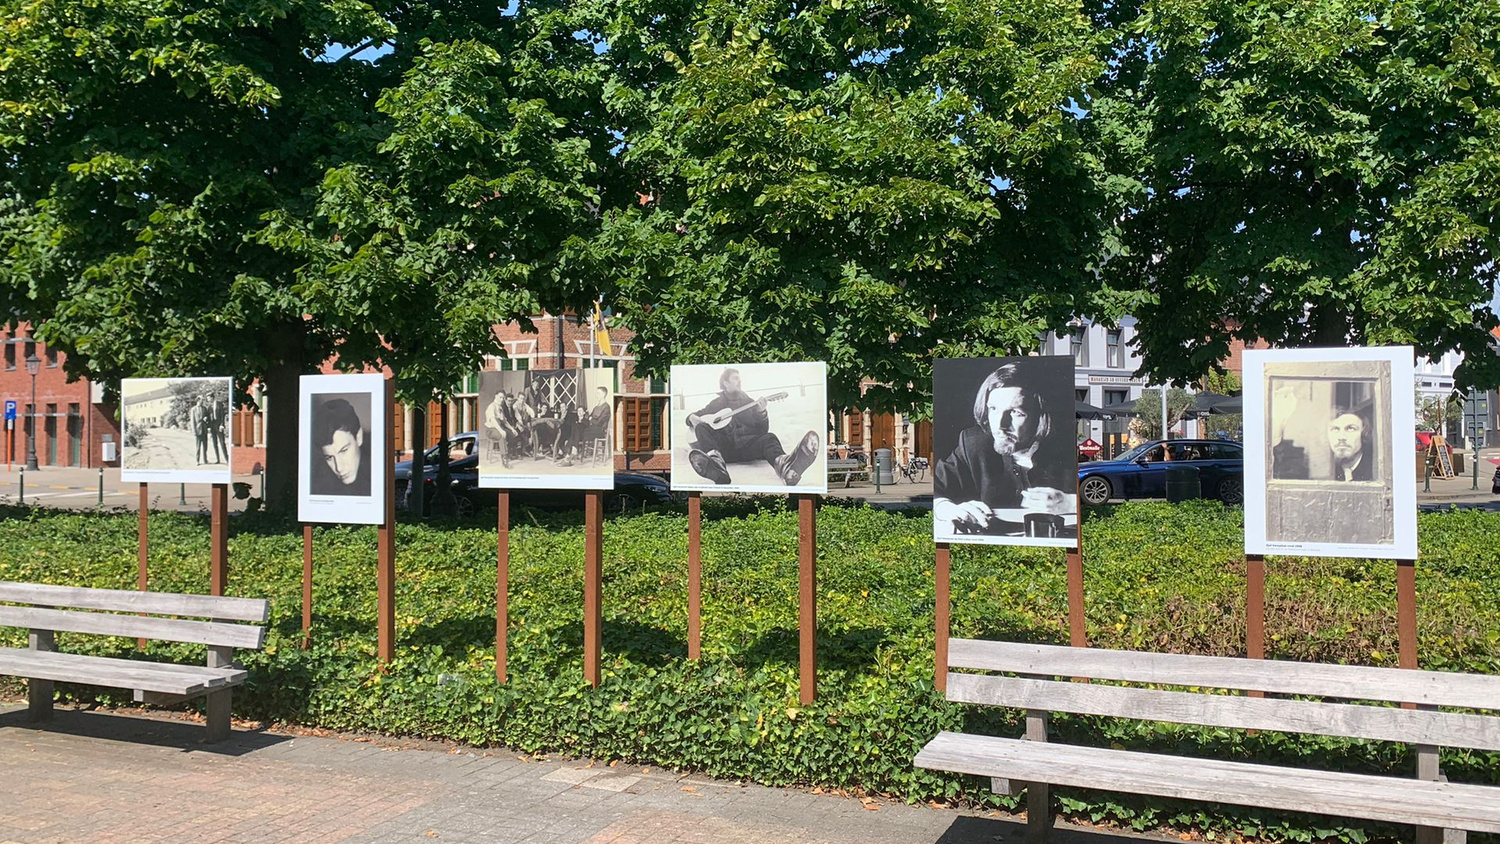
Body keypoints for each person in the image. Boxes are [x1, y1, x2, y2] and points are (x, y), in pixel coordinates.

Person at [933, 363, 1075, 536]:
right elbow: (937, 489)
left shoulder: (1067, 448)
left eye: (1016, 413)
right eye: (993, 409)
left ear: (1041, 416)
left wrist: (1070, 503)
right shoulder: (973, 444)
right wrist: (946, 508)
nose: (1000, 425)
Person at [684, 368, 818, 486]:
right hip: (725, 450)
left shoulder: (750, 403)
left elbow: (762, 431)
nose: (739, 382)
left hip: (747, 448)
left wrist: (761, 413)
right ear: (726, 383)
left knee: (769, 437)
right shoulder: (716, 404)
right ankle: (716, 465)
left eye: (740, 379)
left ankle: (785, 467)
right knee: (701, 427)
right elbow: (696, 416)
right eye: (736, 379)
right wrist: (691, 418)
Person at [1270, 386, 1373, 481]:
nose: (1341, 437)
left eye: (1350, 429)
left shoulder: (1374, 471)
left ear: (1364, 434)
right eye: (1335, 429)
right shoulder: (1326, 470)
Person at [310, 398, 371, 496]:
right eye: (329, 457)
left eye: (343, 451)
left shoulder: (379, 471)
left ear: (359, 437)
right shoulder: (319, 482)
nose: (339, 468)